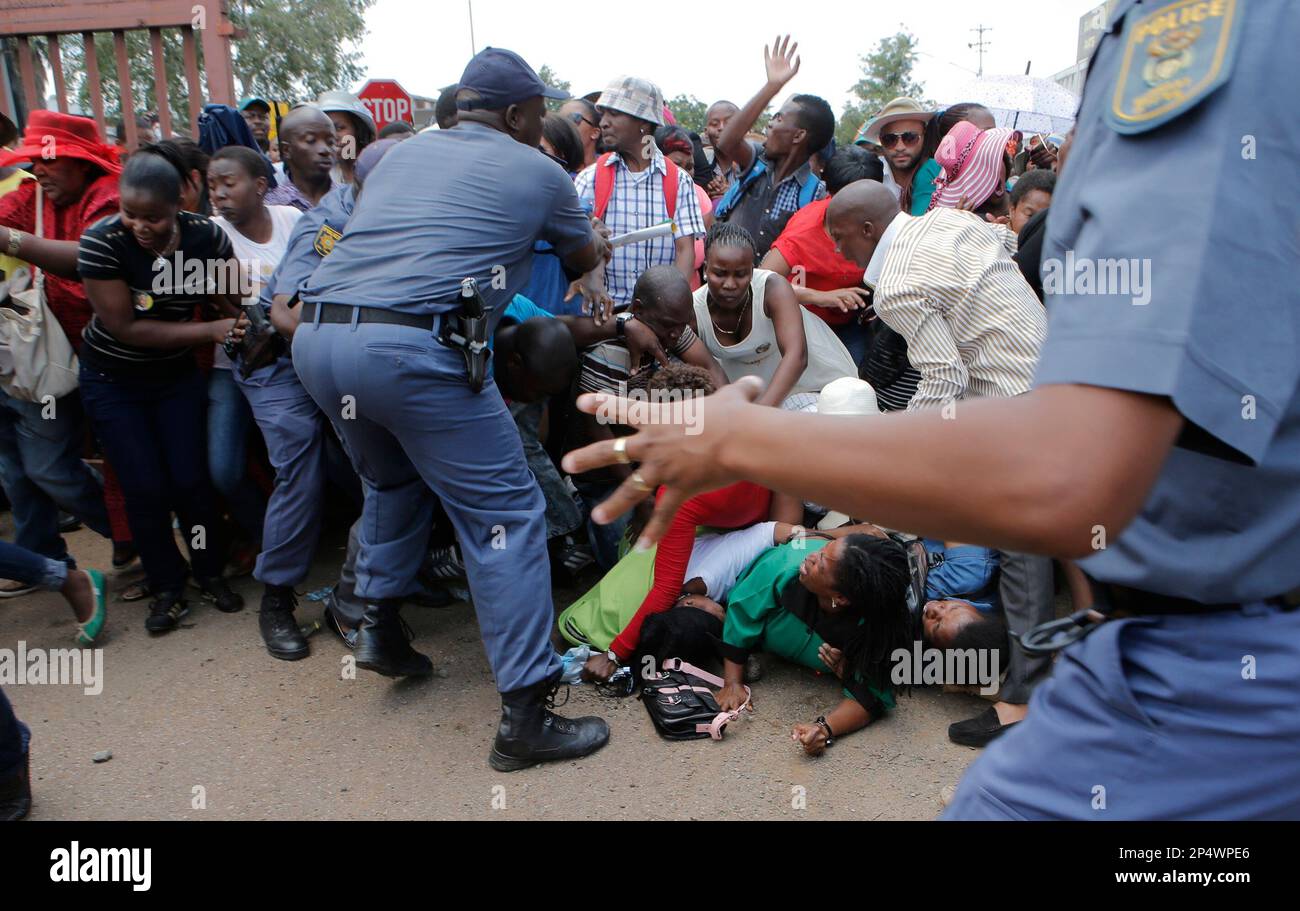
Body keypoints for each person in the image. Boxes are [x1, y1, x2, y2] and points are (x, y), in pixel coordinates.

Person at [564, 0, 1300, 820]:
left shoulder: (1204, 34)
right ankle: (1028, 682)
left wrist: (757, 439)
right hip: (1159, 570)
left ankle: (1022, 689)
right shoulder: (946, 225)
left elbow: (1012, 431)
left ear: (854, 235)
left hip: (1214, 635)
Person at [292, 47, 613, 772]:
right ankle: (526, 714)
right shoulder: (541, 170)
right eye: (539, 112)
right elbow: (580, 252)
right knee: (508, 513)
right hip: (409, 350)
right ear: (517, 114)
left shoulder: (402, 155)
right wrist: (589, 257)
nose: (542, 124)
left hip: (319, 339)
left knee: (392, 479)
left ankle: (376, 622)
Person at [77, 144, 245, 633]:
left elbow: (229, 296)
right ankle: (167, 584)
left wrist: (239, 317)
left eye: (153, 216)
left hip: (174, 378)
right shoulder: (102, 242)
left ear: (179, 204)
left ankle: (209, 572)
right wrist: (211, 331)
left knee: (192, 482)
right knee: (144, 488)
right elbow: (126, 327)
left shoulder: (206, 236)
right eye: (129, 213)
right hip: (113, 381)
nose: (139, 226)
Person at [0, 112, 118, 590]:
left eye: (49, 161)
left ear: (81, 162)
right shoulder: (34, 197)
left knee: (51, 468)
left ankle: (135, 535)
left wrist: (11, 240)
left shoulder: (109, 198)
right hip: (31, 358)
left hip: (103, 361)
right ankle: (44, 559)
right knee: (17, 469)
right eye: (34, 161)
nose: (39, 170)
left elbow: (90, 258)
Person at [826, 181, 1045, 411]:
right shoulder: (955, 218)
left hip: (1014, 400)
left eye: (839, 238)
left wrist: (904, 430)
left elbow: (945, 377)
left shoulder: (896, 286)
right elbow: (1016, 243)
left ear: (867, 230)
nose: (838, 250)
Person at [571, 267, 729, 568]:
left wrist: (732, 422)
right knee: (624, 553)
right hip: (608, 472)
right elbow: (601, 435)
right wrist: (640, 495)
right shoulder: (607, 354)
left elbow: (712, 369)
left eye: (682, 325)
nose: (676, 334)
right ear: (638, 310)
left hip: (648, 457)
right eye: (670, 326)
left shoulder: (670, 328)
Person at [711, 527, 913, 757]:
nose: (811, 555)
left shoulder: (876, 628)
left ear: (840, 598)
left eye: (821, 564)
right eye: (824, 548)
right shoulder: (787, 566)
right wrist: (732, 682)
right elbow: (741, 610)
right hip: (734, 578)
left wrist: (825, 727)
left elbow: (874, 696)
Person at [207, 144, 305, 600]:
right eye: (212, 186)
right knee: (224, 469)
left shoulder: (292, 220)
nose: (218, 194)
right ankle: (268, 534)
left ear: (261, 185)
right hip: (233, 365)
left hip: (291, 357)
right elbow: (227, 306)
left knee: (315, 454)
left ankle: (301, 538)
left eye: (229, 183)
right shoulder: (211, 235)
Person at [573, 75, 705, 308]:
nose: (603, 123)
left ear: (643, 123)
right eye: (603, 114)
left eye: (614, 114)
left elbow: (685, 252)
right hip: (603, 316)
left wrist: (670, 306)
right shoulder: (590, 178)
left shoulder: (679, 181)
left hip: (657, 316)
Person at [694, 223, 857, 409]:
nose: (730, 284)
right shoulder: (693, 310)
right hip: (750, 393)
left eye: (740, 275)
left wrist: (758, 414)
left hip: (808, 382)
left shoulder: (772, 288)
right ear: (705, 270)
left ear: (752, 271)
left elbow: (796, 356)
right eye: (720, 274)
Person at [712, 36, 834, 259]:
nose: (769, 123)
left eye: (778, 118)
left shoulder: (814, 194)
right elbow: (727, 142)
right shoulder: (757, 162)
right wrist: (772, 87)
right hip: (725, 278)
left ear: (798, 135)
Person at [761, 145, 882, 365]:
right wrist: (821, 297)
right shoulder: (804, 232)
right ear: (830, 193)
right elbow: (761, 282)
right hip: (804, 322)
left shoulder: (881, 222)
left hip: (853, 323)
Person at [654, 125, 715, 289]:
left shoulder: (700, 197)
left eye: (689, 167)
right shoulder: (646, 198)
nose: (685, 173)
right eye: (677, 164)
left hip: (689, 292)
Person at [857, 97, 941, 216]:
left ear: (924, 136)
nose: (900, 147)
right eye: (890, 139)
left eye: (910, 137)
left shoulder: (940, 173)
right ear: (880, 140)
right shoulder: (868, 175)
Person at [264, 105, 335, 211]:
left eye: (330, 142)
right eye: (311, 140)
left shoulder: (352, 198)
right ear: (286, 150)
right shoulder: (271, 207)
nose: (325, 150)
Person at [316, 91, 376, 186]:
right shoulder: (321, 178)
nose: (333, 136)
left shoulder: (379, 171)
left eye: (339, 128)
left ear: (359, 131)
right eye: (325, 129)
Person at [702, 100, 740, 198]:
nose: (721, 128)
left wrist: (731, 194)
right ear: (706, 132)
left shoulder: (755, 165)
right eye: (715, 124)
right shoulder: (700, 166)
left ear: (742, 128)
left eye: (729, 123)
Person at [1008, 167, 1054, 235]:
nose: (1036, 224)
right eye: (1030, 215)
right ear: (1012, 211)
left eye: (1044, 219)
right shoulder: (996, 237)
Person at [558, 98, 601, 169]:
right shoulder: (553, 167)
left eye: (572, 118)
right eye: (560, 120)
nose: (564, 125)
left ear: (595, 133)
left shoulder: (611, 168)